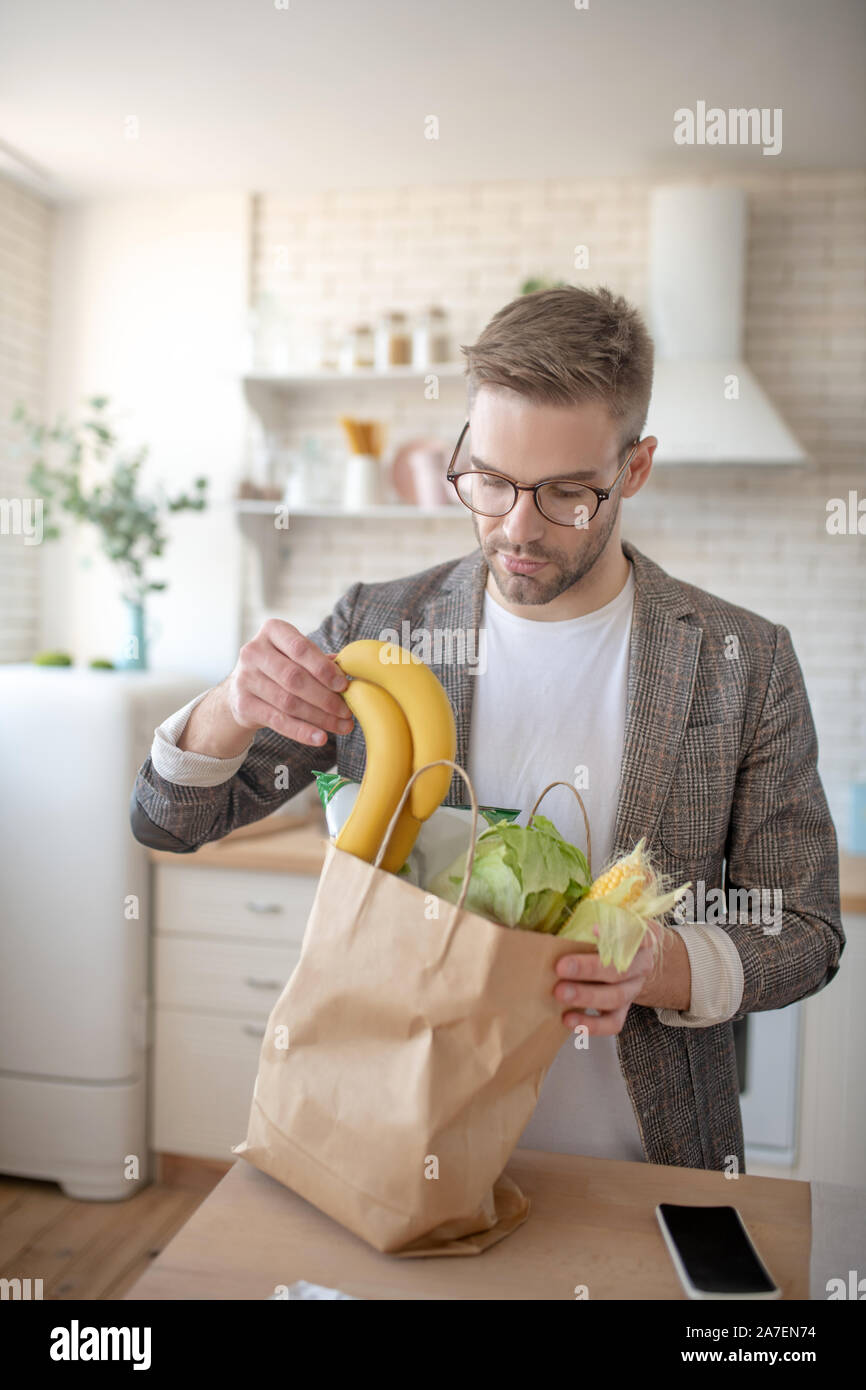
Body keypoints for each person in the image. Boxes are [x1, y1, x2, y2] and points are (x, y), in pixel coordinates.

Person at [130, 285, 844, 1172]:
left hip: (641, 1162)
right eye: (491, 481)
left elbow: (807, 929)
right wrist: (229, 705)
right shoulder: (379, 627)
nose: (516, 527)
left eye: (566, 494)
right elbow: (170, 821)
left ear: (636, 468)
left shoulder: (746, 660)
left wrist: (663, 966)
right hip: (397, 1153)